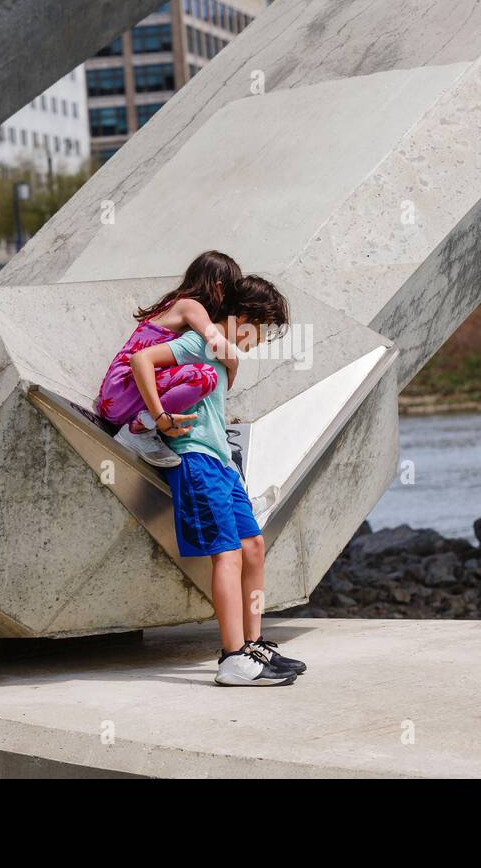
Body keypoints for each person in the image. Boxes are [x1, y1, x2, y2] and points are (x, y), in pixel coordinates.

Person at [128, 275, 307, 686]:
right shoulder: (198, 342)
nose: (259, 341)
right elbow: (142, 362)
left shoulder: (224, 356)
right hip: (196, 461)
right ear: (243, 317)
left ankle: (254, 643)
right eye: (260, 331)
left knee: (253, 546)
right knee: (226, 554)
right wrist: (161, 418)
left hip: (223, 464)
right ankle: (232, 658)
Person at [96, 251, 241, 467]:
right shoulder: (190, 305)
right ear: (219, 287)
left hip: (115, 399)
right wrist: (234, 368)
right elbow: (217, 343)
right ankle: (139, 430)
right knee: (205, 376)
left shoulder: (171, 305)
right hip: (125, 388)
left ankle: (142, 425)